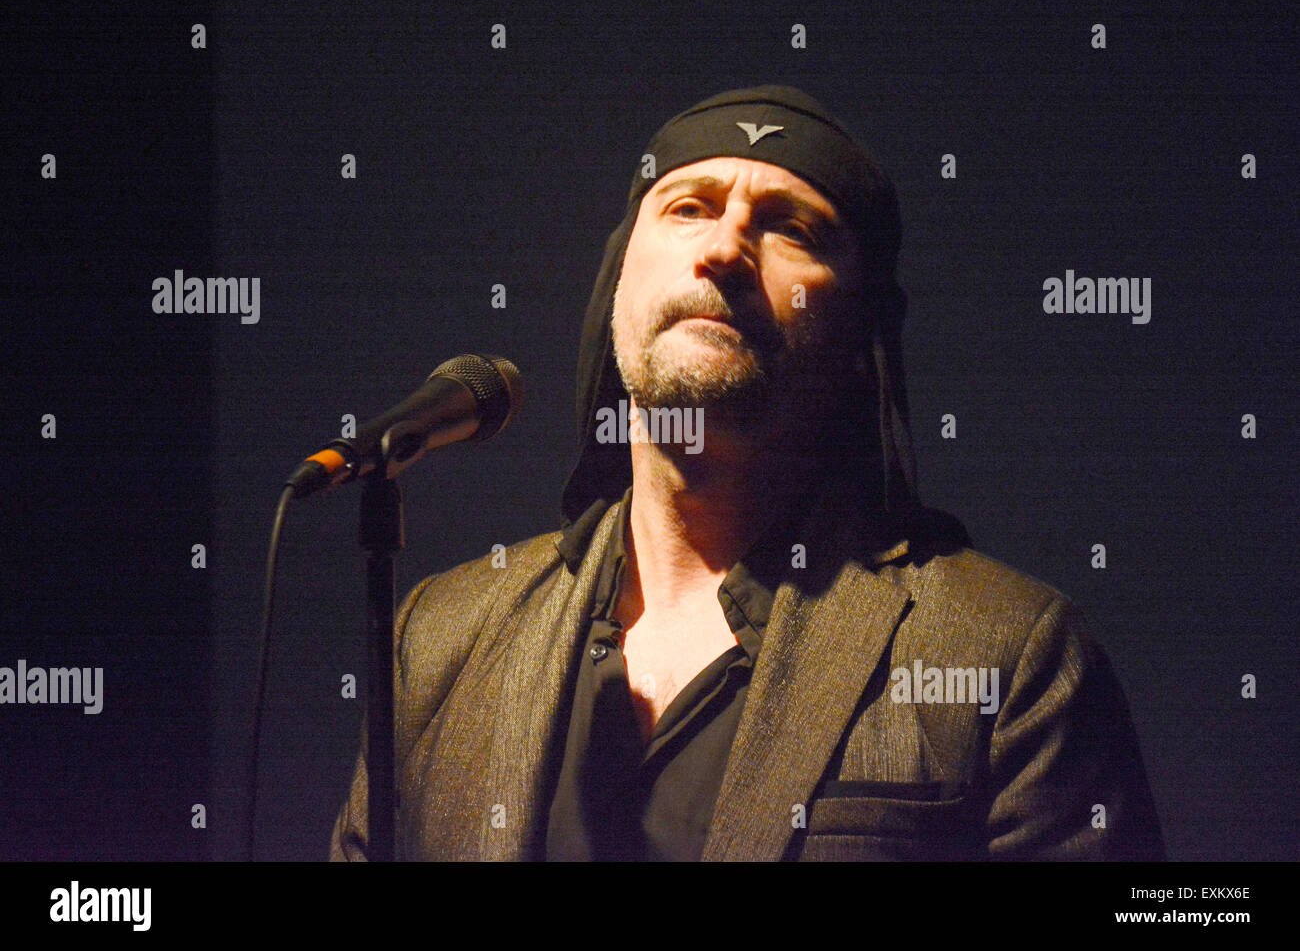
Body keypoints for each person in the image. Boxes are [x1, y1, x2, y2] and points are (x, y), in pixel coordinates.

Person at [329, 85, 1165, 861]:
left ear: (862, 333)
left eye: (792, 228)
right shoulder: (439, 637)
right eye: (687, 208)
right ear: (619, 281)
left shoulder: (1006, 655)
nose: (725, 246)